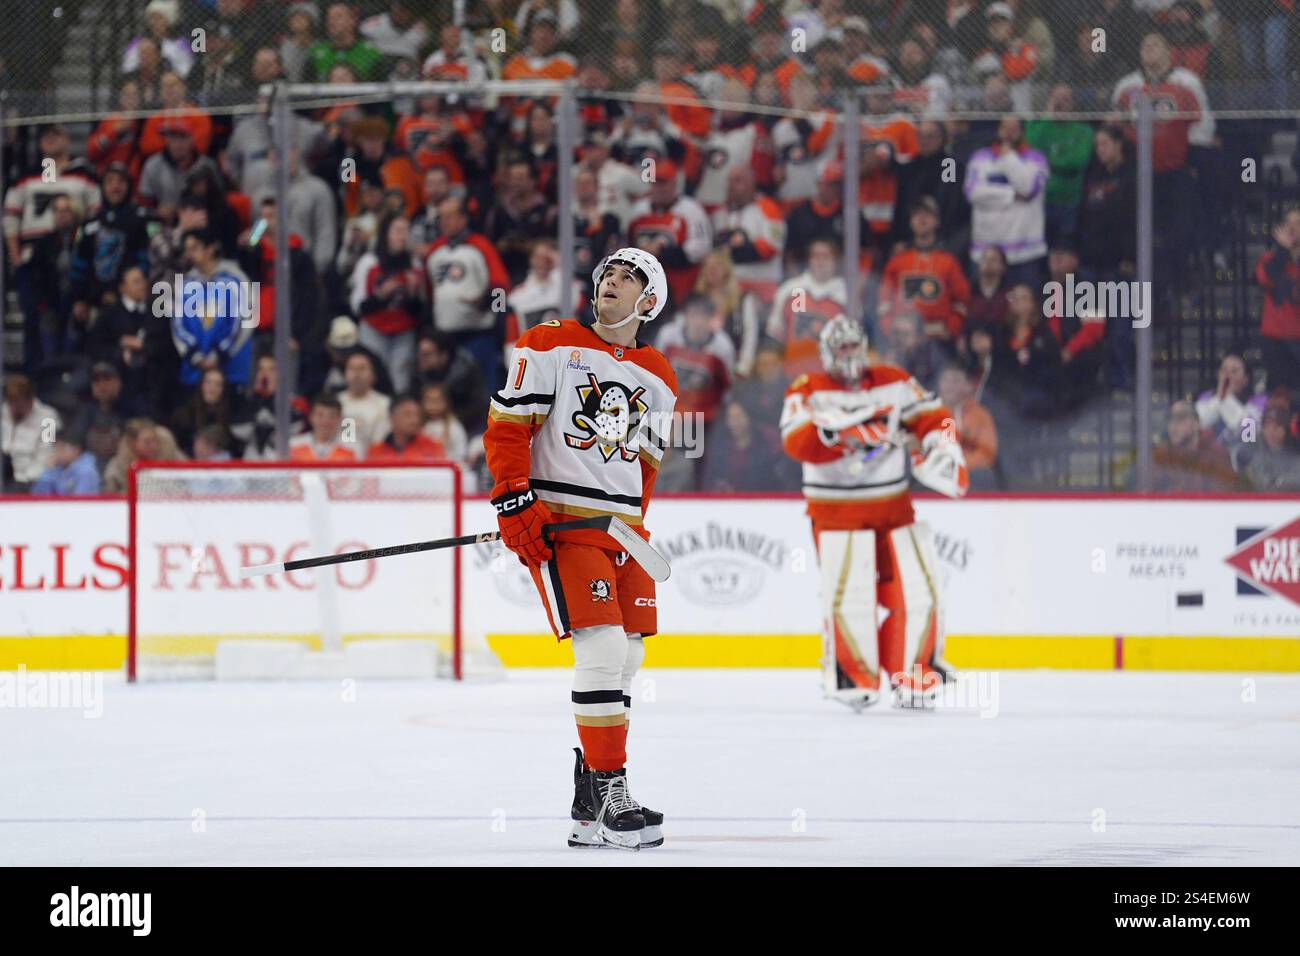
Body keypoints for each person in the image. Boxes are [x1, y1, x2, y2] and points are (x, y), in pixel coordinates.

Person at [484, 247, 678, 850]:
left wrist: (636, 526)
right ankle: (613, 789)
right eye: (607, 276)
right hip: (566, 523)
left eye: (628, 278)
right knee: (599, 650)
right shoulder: (551, 341)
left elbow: (645, 466)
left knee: (628, 658)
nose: (611, 284)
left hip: (622, 531)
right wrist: (515, 499)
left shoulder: (661, 375)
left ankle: (590, 803)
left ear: (649, 301)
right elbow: (509, 423)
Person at [780, 316, 968, 709]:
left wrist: (939, 443)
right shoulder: (807, 389)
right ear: (827, 353)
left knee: (916, 591)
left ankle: (913, 673)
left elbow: (934, 416)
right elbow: (795, 441)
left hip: (894, 509)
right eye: (841, 348)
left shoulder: (894, 379)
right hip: (834, 513)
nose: (849, 355)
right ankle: (853, 676)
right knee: (851, 596)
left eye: (854, 346)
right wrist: (837, 435)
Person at [1152, 400, 1237, 492]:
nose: (1173, 427)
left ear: (1196, 424)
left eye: (1180, 420)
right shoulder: (1162, 454)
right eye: (1170, 420)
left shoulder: (1216, 454)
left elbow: (1224, 497)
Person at [2, 375, 62, 490]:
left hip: (30, 480)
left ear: (29, 399)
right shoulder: (3, 413)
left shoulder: (48, 418)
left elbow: (46, 456)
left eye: (17, 402)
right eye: (10, 402)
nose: (13, 407)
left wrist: (23, 479)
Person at [367, 395, 446, 461]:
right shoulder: (375, 452)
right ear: (392, 419)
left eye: (417, 415)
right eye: (407, 415)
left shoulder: (433, 448)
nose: (415, 420)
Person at [289, 393, 358, 462]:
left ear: (340, 419)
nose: (325, 421)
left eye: (332, 416)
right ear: (311, 417)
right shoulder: (294, 445)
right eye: (320, 415)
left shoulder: (351, 449)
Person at [31, 428, 101, 495]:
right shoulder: (58, 468)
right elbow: (39, 496)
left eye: (61, 448)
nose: (57, 452)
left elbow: (79, 503)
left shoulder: (86, 472)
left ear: (76, 450)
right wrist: (49, 471)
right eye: (56, 448)